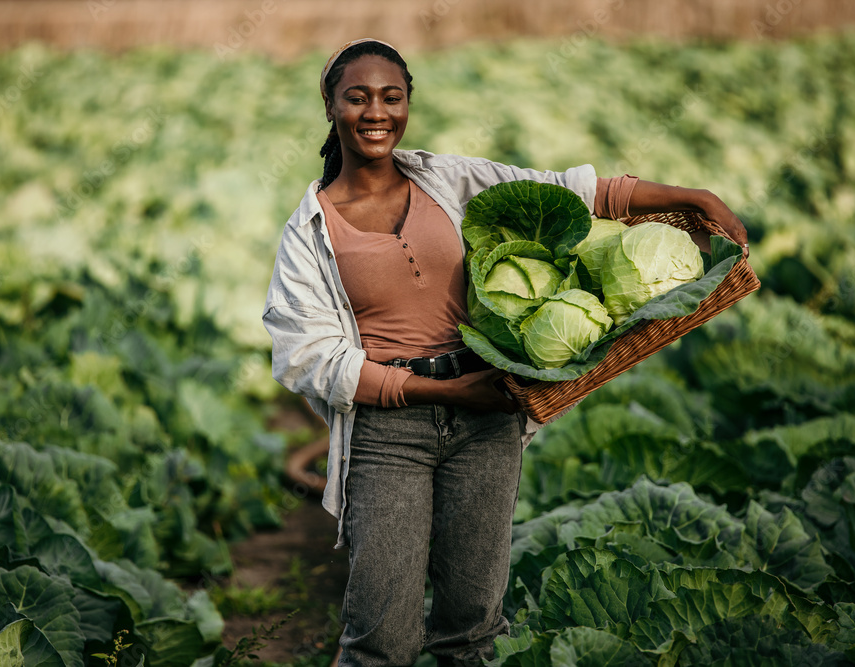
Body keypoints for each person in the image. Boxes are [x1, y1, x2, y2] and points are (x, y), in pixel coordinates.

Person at [262, 38, 748, 667]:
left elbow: (572, 194)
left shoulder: (450, 179)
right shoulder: (311, 231)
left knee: (471, 629)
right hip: (388, 433)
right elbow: (308, 357)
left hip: (488, 417)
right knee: (382, 638)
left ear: (407, 104)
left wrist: (695, 199)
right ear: (330, 107)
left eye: (391, 96)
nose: (375, 112)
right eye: (357, 98)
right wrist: (441, 392)